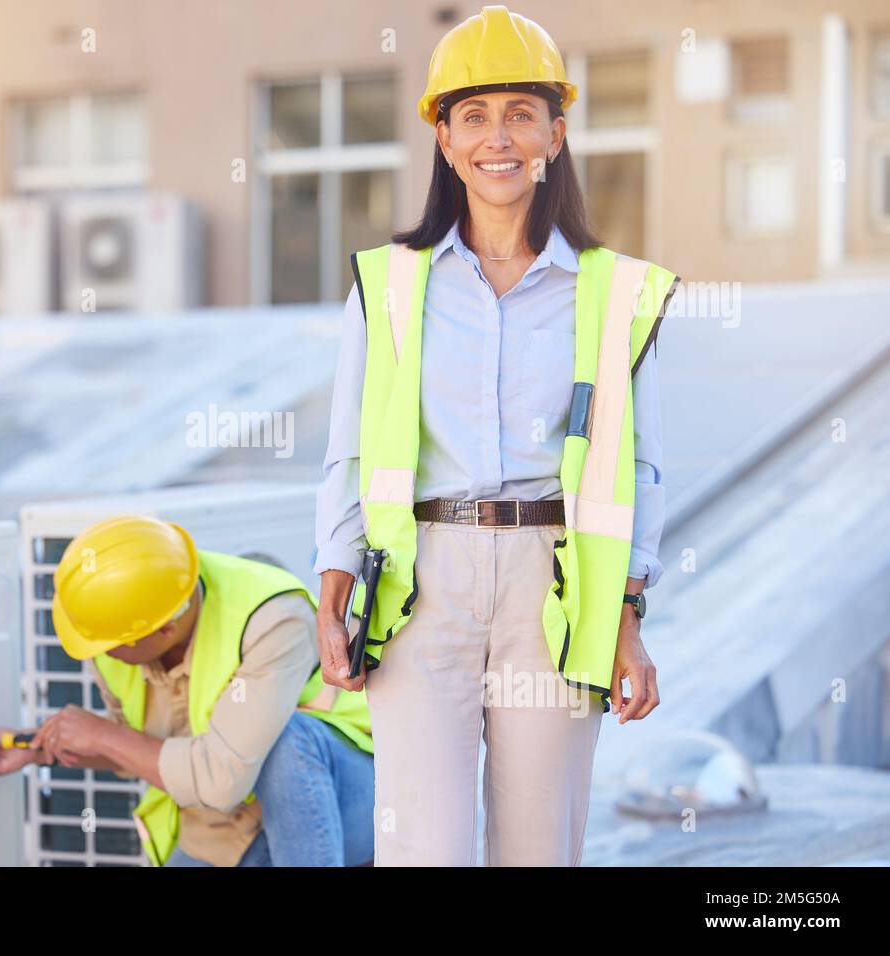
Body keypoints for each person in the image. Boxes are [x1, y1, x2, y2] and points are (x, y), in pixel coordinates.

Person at [313, 4, 679, 867]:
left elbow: (643, 465)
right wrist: (334, 573)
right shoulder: (388, 284)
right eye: (472, 115)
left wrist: (627, 615)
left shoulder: (614, 293)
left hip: (552, 591)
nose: (497, 136)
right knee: (422, 851)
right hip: (419, 585)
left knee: (537, 849)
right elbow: (349, 448)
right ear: (444, 139)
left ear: (555, 131)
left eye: (521, 112)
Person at [0, 514, 374, 866]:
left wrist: (103, 734)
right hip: (228, 831)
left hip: (343, 801)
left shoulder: (272, 619)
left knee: (288, 744)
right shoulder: (121, 628)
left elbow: (218, 781)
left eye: (109, 645)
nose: (99, 654)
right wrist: (35, 746)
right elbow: (144, 746)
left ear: (164, 629)